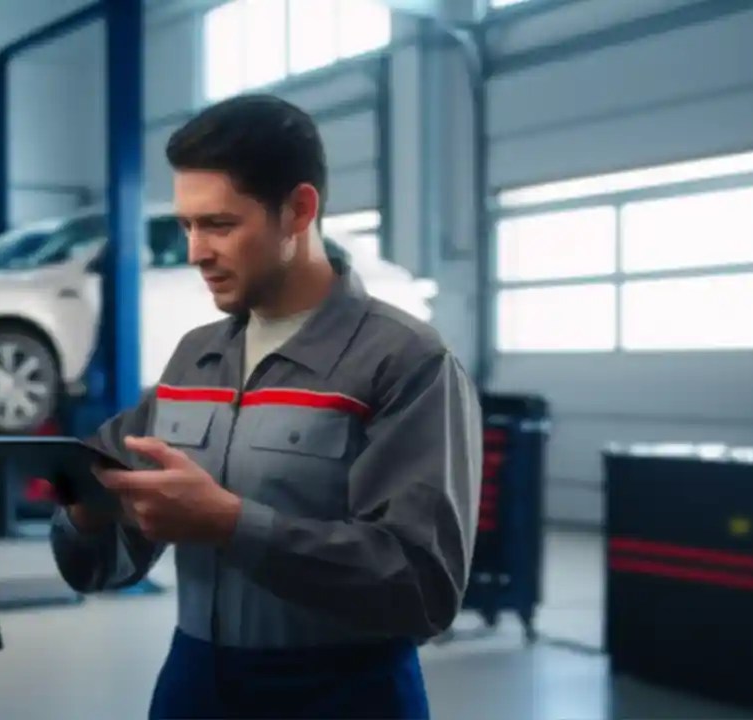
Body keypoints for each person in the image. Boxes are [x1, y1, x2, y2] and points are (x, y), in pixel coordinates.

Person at [50, 94, 483, 719]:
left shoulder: (404, 361)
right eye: (187, 226)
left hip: (343, 696)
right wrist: (87, 514)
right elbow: (103, 567)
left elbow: (423, 588)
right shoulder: (193, 359)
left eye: (220, 225)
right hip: (194, 688)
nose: (196, 251)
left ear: (299, 210)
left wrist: (231, 524)